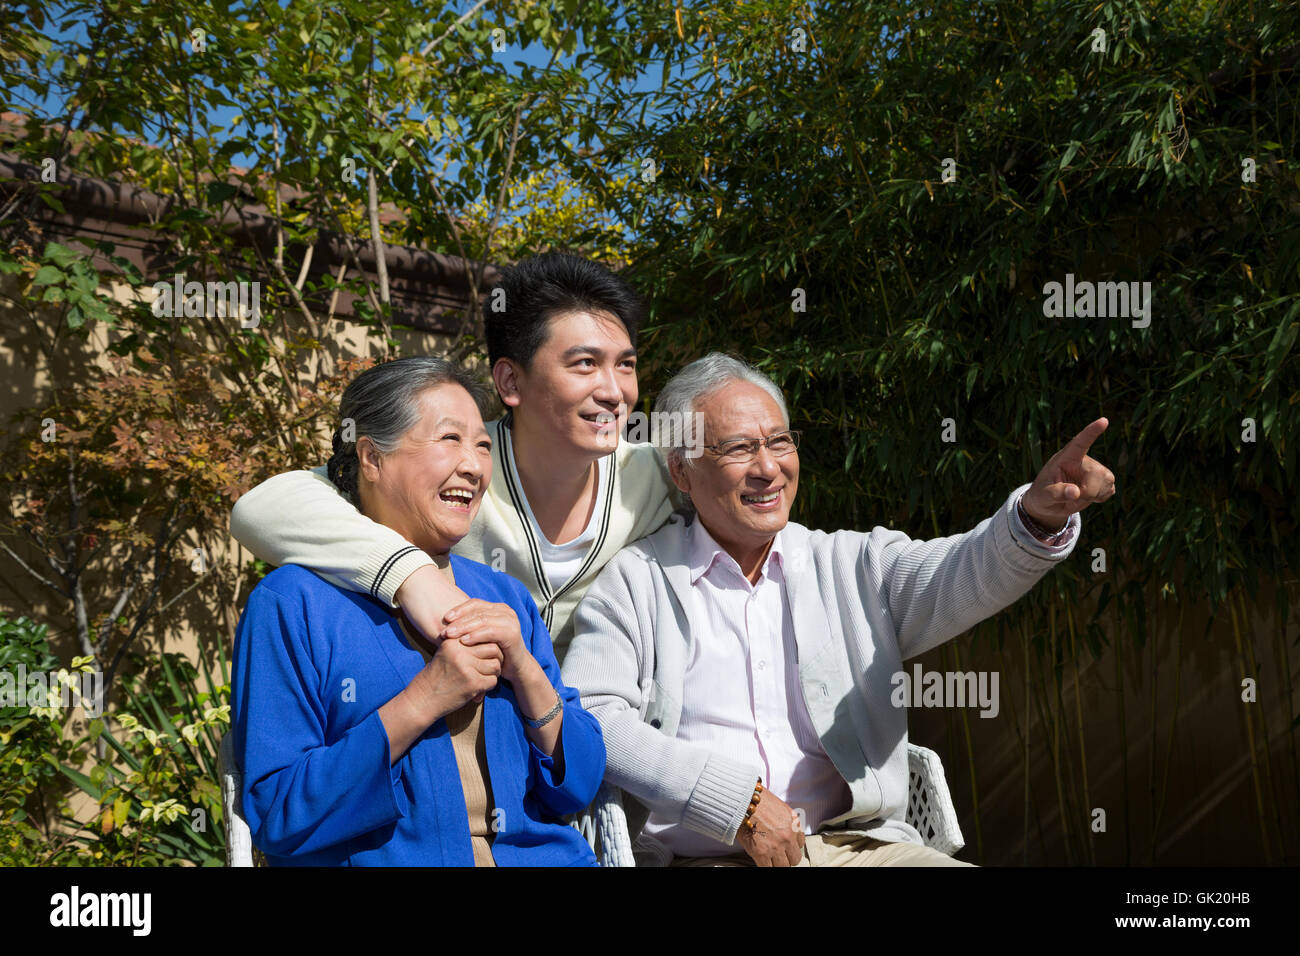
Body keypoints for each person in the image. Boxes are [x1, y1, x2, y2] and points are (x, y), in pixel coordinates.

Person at [561, 352, 1116, 866]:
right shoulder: (637, 580)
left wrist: (1036, 517)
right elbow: (594, 720)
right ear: (681, 471)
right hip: (706, 858)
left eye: (779, 442)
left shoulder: (851, 564)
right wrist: (737, 805)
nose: (768, 468)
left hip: (856, 848)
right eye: (737, 448)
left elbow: (964, 571)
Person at [230, 357, 605, 866]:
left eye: (482, 445)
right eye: (449, 439)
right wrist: (424, 699)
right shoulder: (292, 604)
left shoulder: (504, 596)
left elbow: (578, 786)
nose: (473, 466)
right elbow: (279, 815)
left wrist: (525, 670)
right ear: (371, 458)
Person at [228, 253, 678, 661]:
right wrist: (410, 575)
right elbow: (262, 508)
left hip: (583, 734)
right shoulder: (452, 472)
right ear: (511, 382)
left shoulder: (657, 476)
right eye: (584, 363)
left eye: (625, 364)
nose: (614, 391)